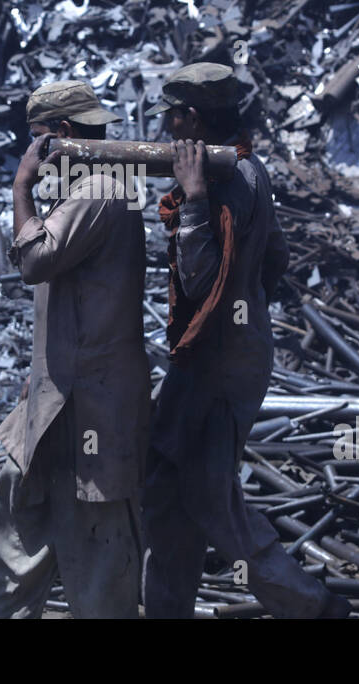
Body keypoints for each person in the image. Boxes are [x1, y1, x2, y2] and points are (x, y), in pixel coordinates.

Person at [140, 63, 348, 619]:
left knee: (208, 492)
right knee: (165, 486)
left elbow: (205, 282)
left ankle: (311, 606)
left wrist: (193, 202)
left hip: (221, 362)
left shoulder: (225, 181)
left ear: (191, 117)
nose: (166, 126)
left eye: (173, 115)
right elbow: (274, 257)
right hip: (220, 351)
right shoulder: (249, 166)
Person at [0, 81, 151, 618]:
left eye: (36, 141)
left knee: (98, 556)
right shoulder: (92, 189)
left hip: (92, 408)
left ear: (59, 136)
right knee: (19, 528)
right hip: (58, 402)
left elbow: (35, 260)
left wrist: (21, 187)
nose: (31, 152)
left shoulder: (100, 188)